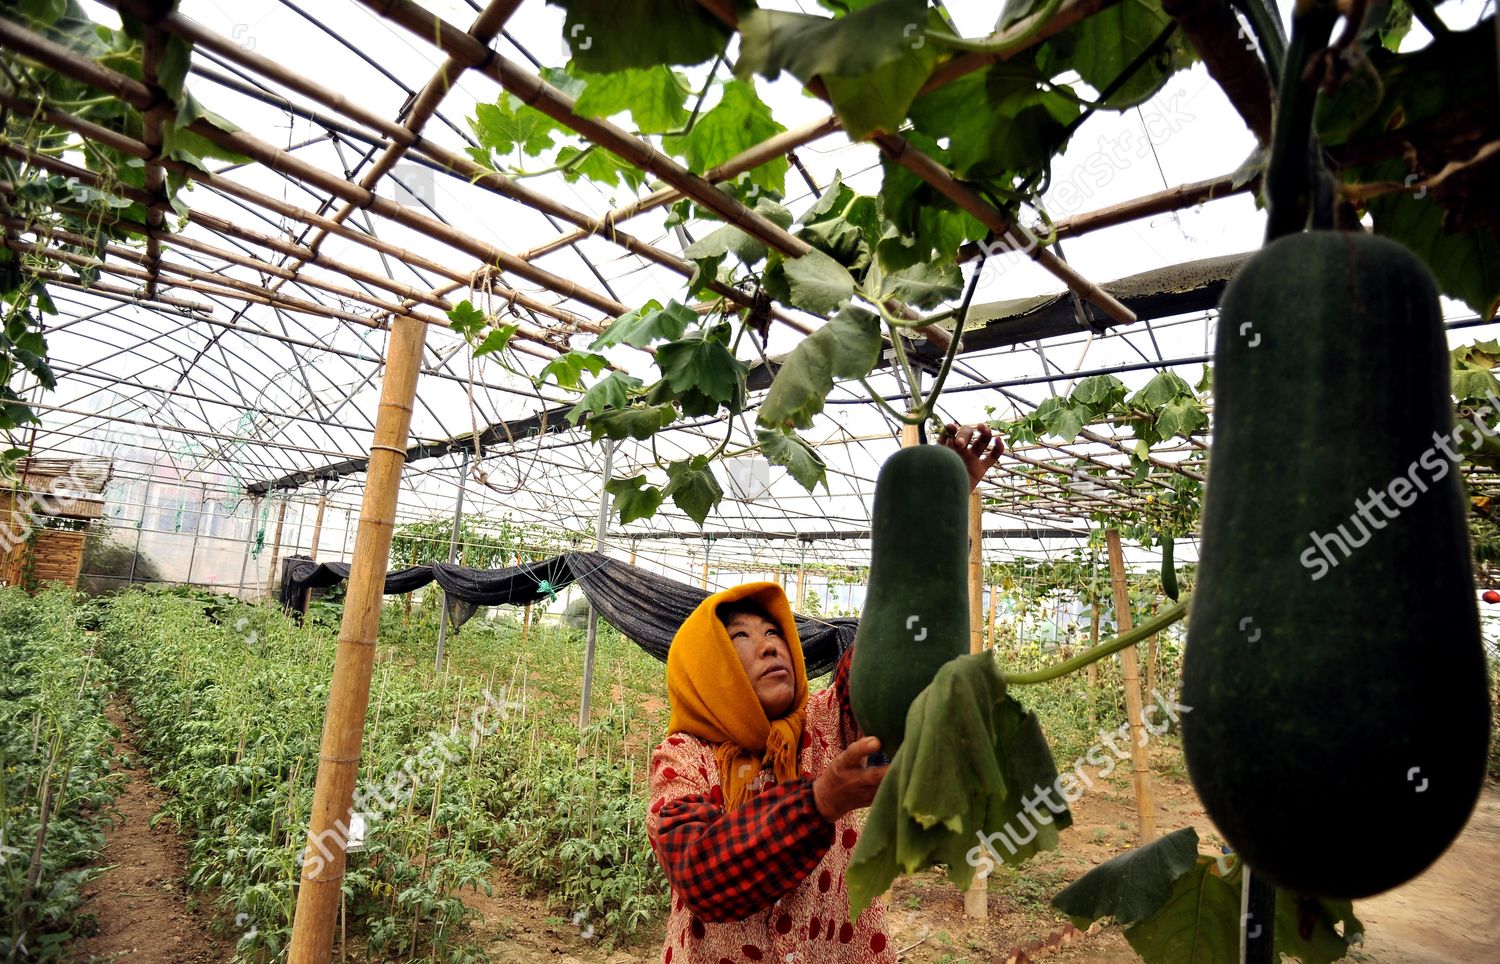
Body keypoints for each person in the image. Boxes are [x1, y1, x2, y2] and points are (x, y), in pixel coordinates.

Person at [646, 424, 1002, 963]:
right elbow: (701, 874)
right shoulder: (682, 760)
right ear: (709, 673)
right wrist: (819, 802)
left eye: (774, 634)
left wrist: (939, 505)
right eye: (740, 639)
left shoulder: (823, 721)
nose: (769, 647)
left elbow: (894, 643)